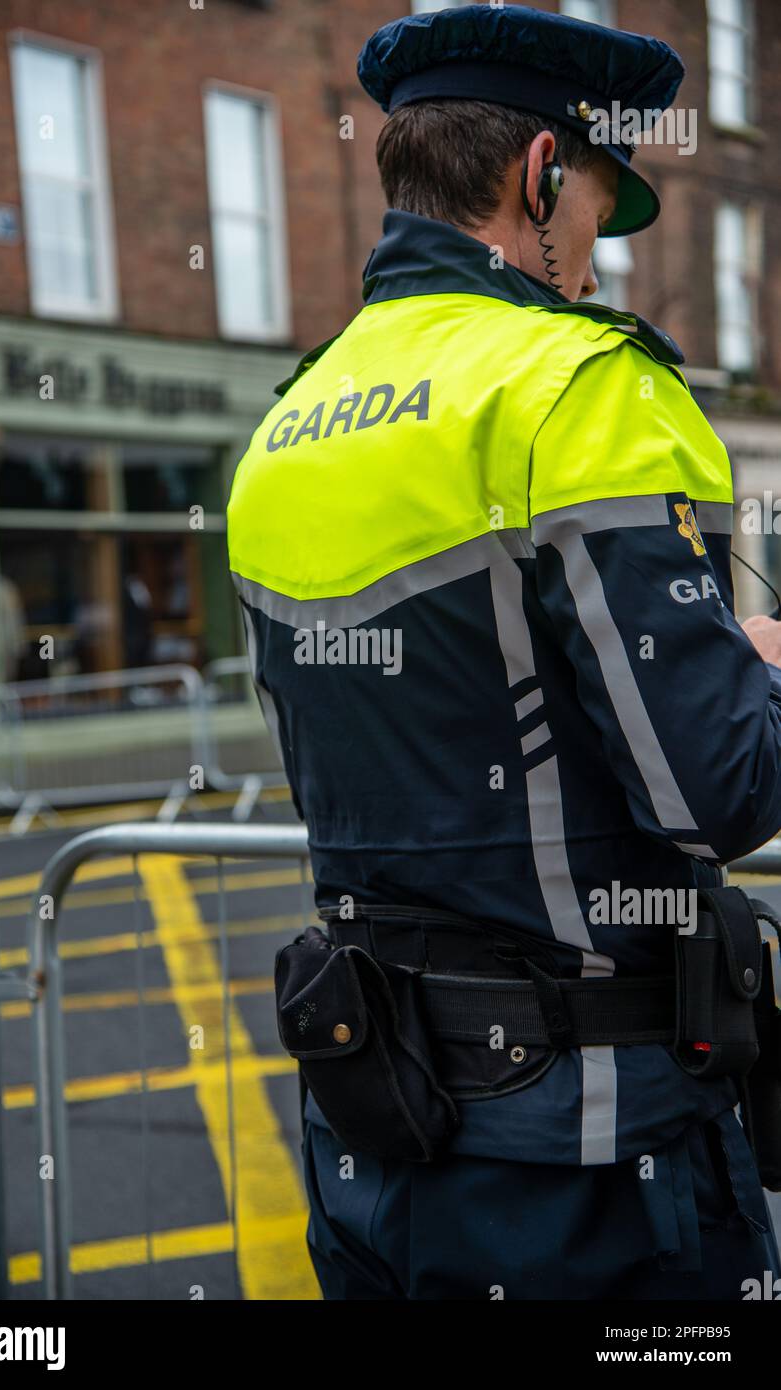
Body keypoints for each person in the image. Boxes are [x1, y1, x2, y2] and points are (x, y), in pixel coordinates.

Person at [227, 3, 781, 1299]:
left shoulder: (289, 422)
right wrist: (758, 671)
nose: (591, 265)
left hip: (374, 1130)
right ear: (538, 175)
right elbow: (718, 790)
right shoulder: (582, 386)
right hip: (589, 1164)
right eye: (592, 209)